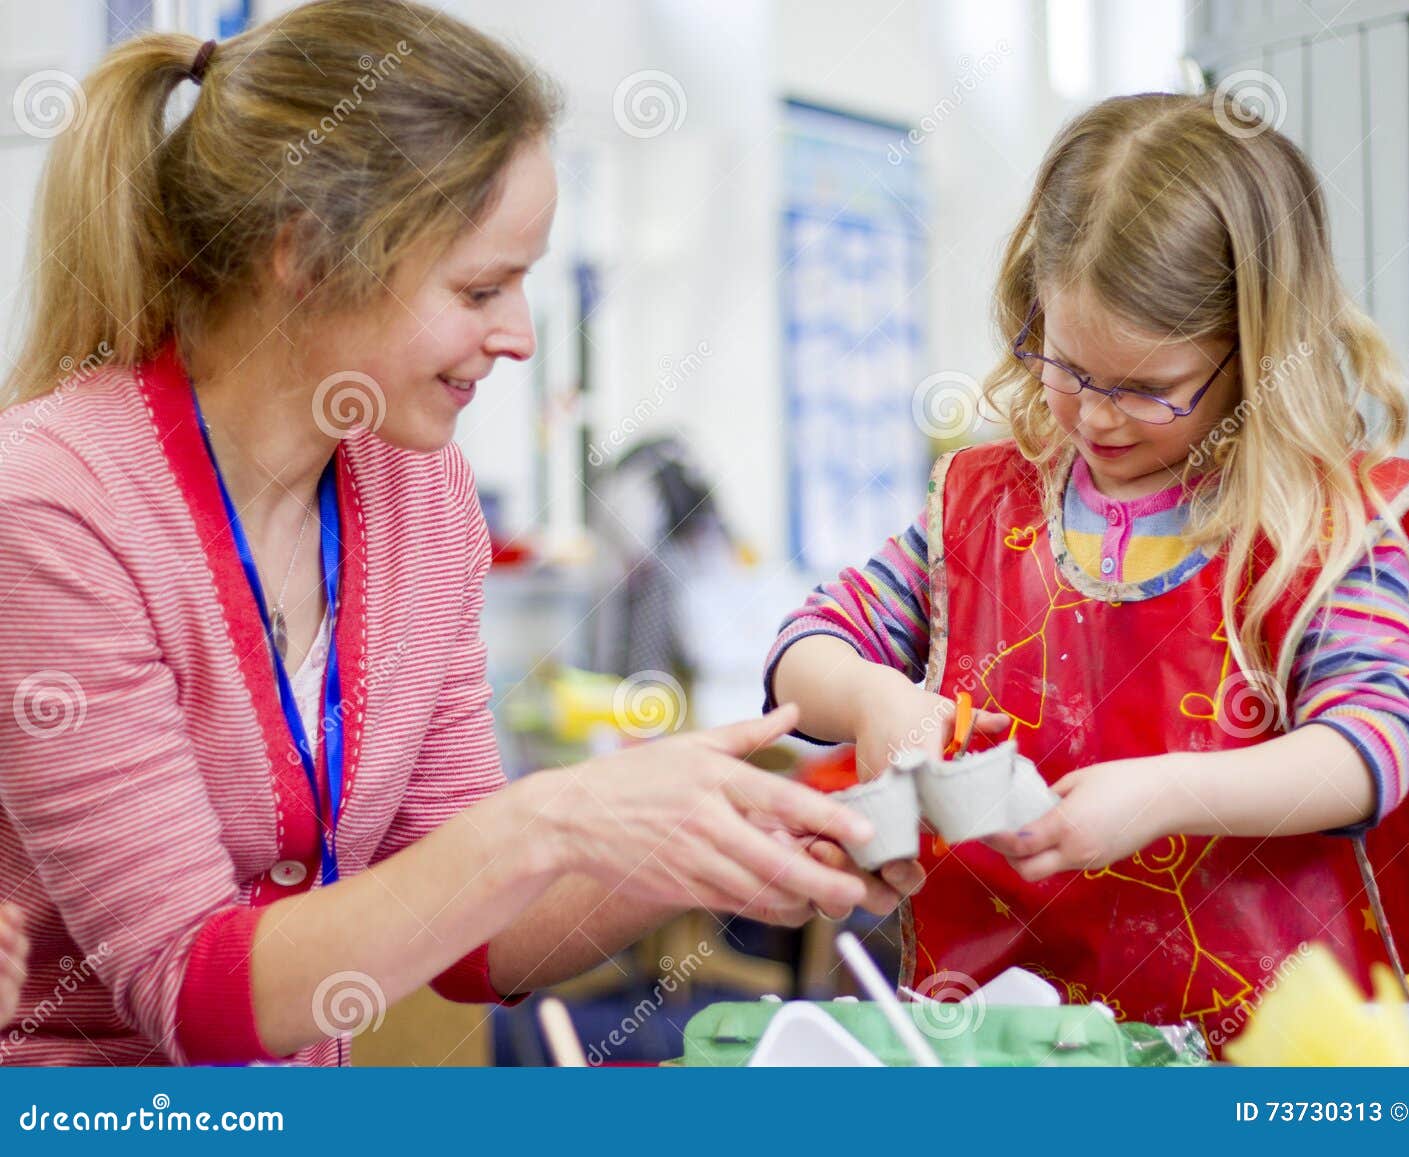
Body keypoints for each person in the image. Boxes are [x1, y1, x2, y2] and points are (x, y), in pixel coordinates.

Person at [0, 0, 918, 1067]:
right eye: (481, 287)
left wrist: (719, 838)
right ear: (305, 257)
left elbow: (478, 944)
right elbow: (194, 992)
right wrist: (549, 820)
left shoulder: (416, 492)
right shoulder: (56, 508)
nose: (520, 336)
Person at [765, 92, 1409, 1048]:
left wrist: (1168, 795)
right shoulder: (985, 506)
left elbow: (1375, 739)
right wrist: (873, 699)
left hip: (1261, 1060)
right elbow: (808, 644)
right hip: (1012, 1048)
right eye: (1067, 367)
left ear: (1258, 352)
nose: (1096, 416)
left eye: (1149, 389)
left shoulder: (1320, 526)